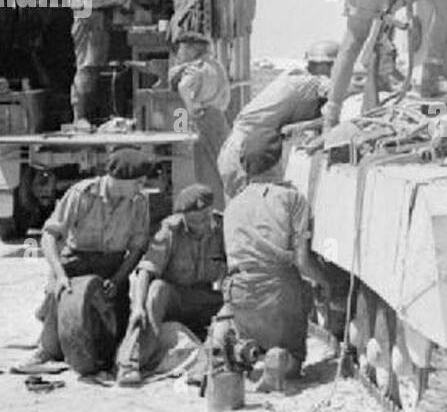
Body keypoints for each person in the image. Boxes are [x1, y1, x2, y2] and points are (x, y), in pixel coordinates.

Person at [22, 149, 154, 371]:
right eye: (138, 182)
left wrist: (119, 279)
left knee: (115, 338)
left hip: (111, 267)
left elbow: (137, 248)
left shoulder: (139, 202)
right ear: (120, 180)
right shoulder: (81, 194)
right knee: (59, 310)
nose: (142, 186)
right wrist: (61, 276)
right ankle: (44, 350)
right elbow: (48, 237)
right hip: (75, 262)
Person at [221, 140, 328, 383]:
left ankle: (246, 353)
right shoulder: (291, 198)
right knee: (294, 361)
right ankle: (280, 360)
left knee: (250, 336)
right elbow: (302, 261)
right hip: (278, 291)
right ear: (279, 163)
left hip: (238, 291)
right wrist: (324, 282)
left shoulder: (233, 204)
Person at [115, 182, 226, 385]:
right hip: (175, 299)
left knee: (236, 299)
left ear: (211, 210)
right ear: (184, 216)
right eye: (194, 220)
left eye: (205, 216)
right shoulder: (170, 230)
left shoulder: (223, 228)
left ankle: (208, 363)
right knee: (157, 290)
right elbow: (145, 271)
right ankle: (130, 363)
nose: (201, 224)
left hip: (204, 300)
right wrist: (138, 306)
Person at [217, 40, 336, 200]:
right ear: (326, 65)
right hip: (248, 153)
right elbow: (340, 92)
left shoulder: (294, 79)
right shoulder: (307, 82)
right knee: (256, 212)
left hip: (237, 151)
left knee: (244, 214)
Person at [70, 0, 131, 129]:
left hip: (96, 28)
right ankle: (79, 117)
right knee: (85, 70)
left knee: (93, 71)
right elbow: (83, 2)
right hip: (86, 28)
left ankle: (87, 117)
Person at [169, 31, 231, 207]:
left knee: (206, 171)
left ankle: (212, 209)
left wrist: (190, 107)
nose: (179, 53)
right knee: (220, 168)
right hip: (219, 118)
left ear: (191, 49)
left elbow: (183, 86)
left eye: (181, 49)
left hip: (204, 119)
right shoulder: (216, 65)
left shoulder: (196, 67)